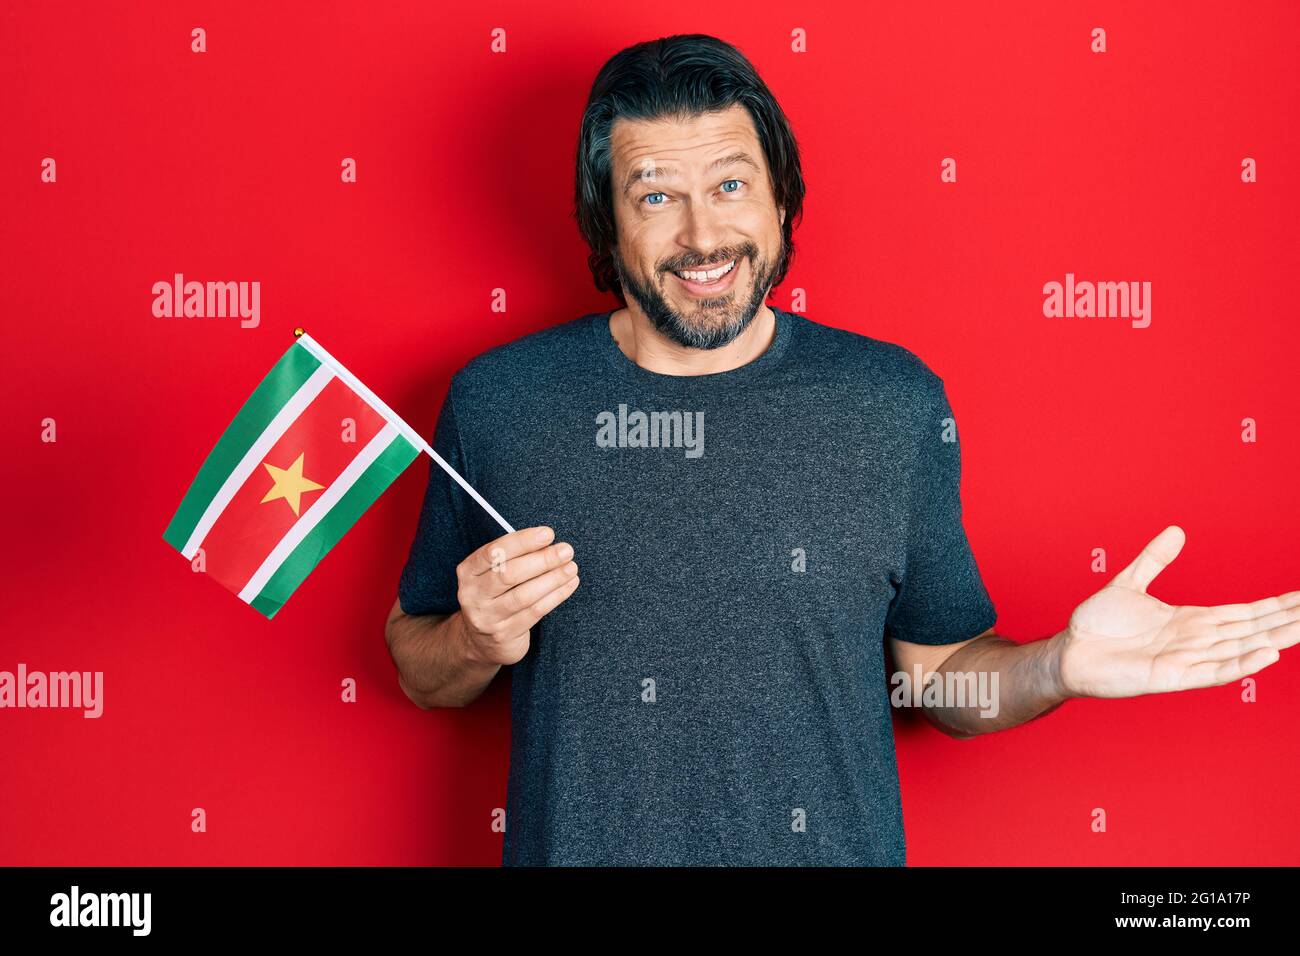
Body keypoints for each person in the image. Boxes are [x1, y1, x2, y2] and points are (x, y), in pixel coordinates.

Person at [383, 34, 1298, 866]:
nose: (703, 236)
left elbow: (938, 680)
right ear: (606, 221)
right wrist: (473, 638)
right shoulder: (502, 400)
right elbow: (419, 667)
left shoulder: (890, 403)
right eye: (656, 195)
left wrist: (1055, 665)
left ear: (781, 198)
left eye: (732, 185)